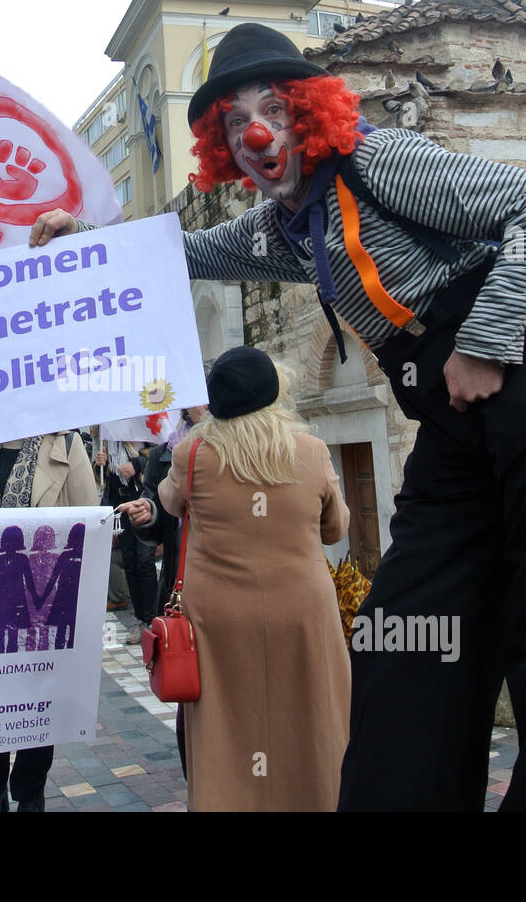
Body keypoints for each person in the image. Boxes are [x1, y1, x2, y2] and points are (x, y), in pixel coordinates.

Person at [31, 22, 526, 810]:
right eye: (233, 120)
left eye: (275, 108)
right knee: (405, 636)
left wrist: (487, 342)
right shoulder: (282, 227)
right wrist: (77, 237)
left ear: (310, 113)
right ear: (223, 146)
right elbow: (181, 251)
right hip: (451, 410)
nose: (256, 131)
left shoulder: (376, 161)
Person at [121, 347, 349, 810]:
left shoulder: (193, 453)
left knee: (226, 728)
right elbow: (335, 527)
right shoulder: (311, 450)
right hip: (302, 610)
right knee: (312, 719)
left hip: (219, 617)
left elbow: (169, 502)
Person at [0, 430, 98, 811]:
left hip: (41, 605)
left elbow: (88, 521)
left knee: (38, 696)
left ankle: (30, 791)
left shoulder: (66, 444)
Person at [119, 402, 208, 779]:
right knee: (192, 698)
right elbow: (158, 510)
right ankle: (201, 789)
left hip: (236, 591)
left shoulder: (245, 446)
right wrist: (148, 512)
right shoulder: (166, 453)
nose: (193, 405)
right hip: (186, 591)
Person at [95, 439, 156, 644]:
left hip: (143, 504)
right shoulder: (106, 438)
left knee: (145, 563)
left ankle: (152, 619)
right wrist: (99, 465)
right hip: (120, 507)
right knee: (130, 564)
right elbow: (103, 481)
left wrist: (137, 463)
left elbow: (162, 454)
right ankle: (140, 619)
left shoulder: (142, 429)